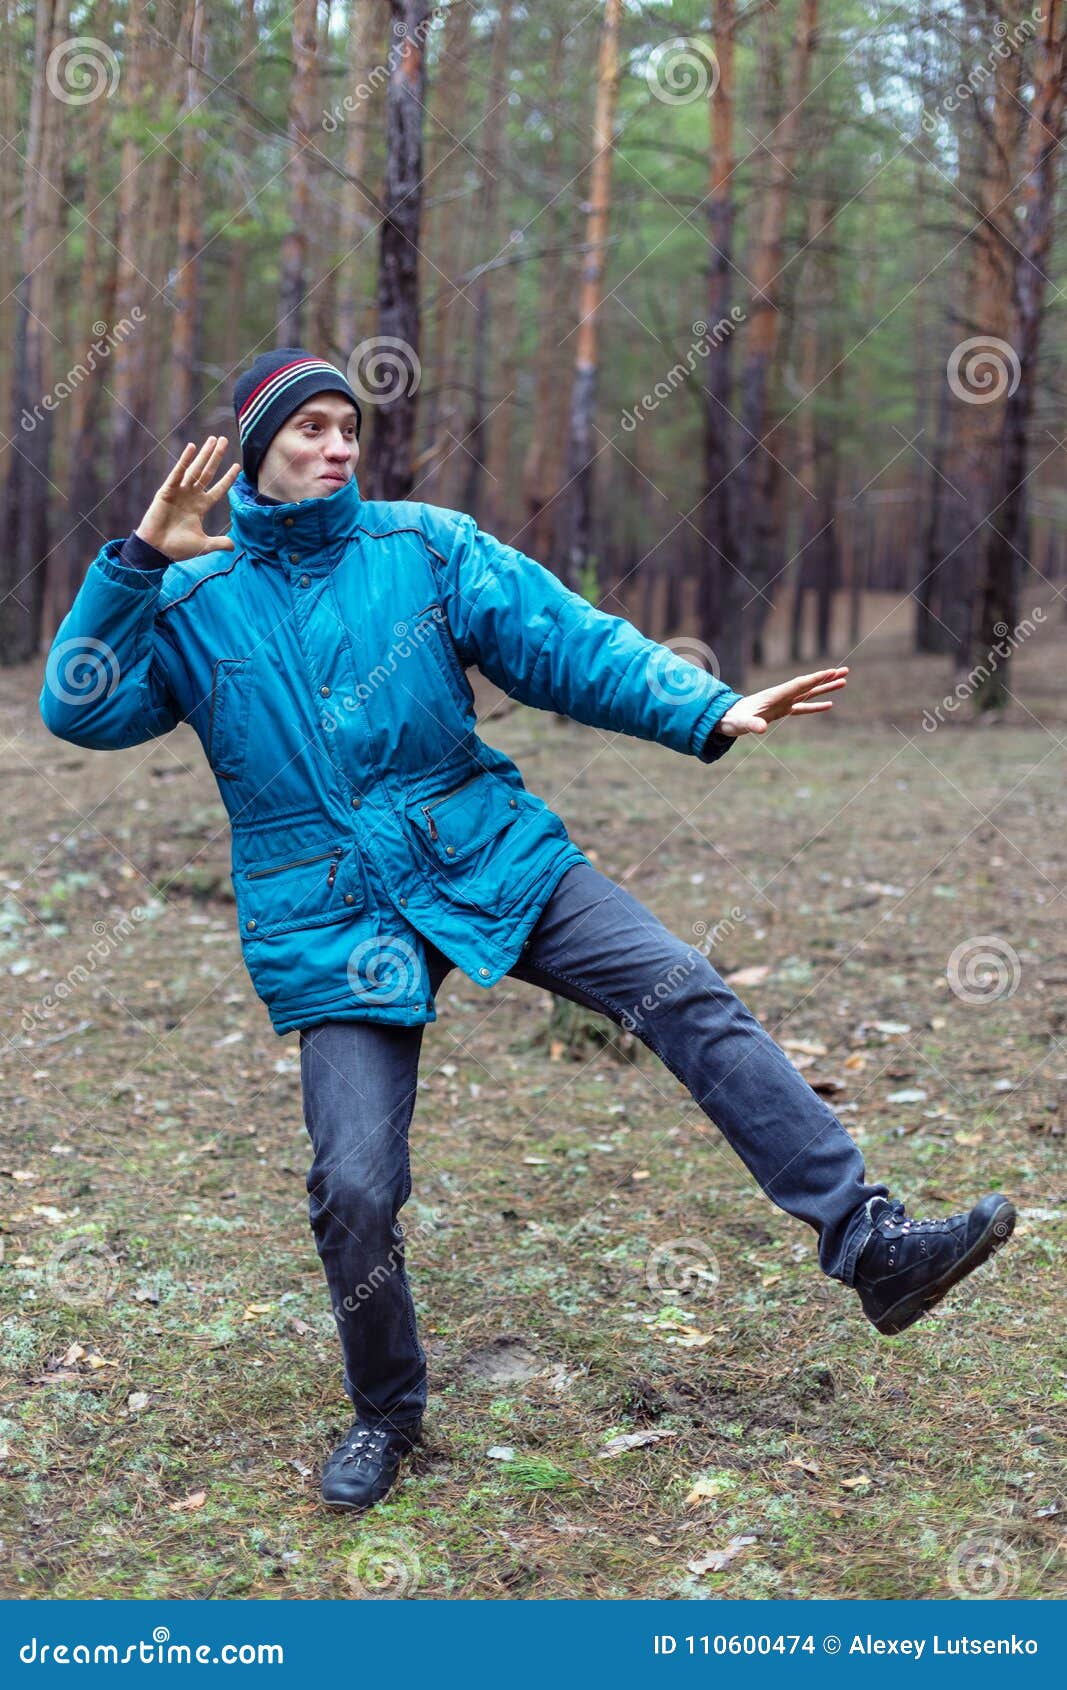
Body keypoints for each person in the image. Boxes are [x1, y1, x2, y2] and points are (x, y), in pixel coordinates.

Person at [39, 347, 1016, 1514]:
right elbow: (79, 704)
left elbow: (563, 639)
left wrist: (705, 705)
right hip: (331, 916)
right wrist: (140, 561)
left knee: (683, 989)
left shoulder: (421, 547)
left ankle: (870, 1246)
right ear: (255, 449)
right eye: (308, 429)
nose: (338, 446)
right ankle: (386, 1415)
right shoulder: (192, 601)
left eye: (349, 425)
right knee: (354, 1184)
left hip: (487, 850)